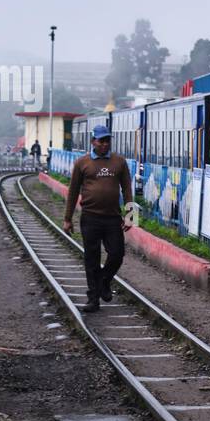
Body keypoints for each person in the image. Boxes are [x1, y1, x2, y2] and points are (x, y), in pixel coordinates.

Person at [64, 125, 133, 313]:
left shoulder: (119, 162)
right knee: (91, 259)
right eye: (101, 141)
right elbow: (73, 192)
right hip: (90, 218)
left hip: (112, 218)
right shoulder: (82, 163)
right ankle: (93, 299)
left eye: (107, 141)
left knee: (117, 254)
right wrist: (67, 219)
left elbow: (127, 189)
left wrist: (130, 215)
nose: (104, 144)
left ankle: (104, 281)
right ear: (93, 141)